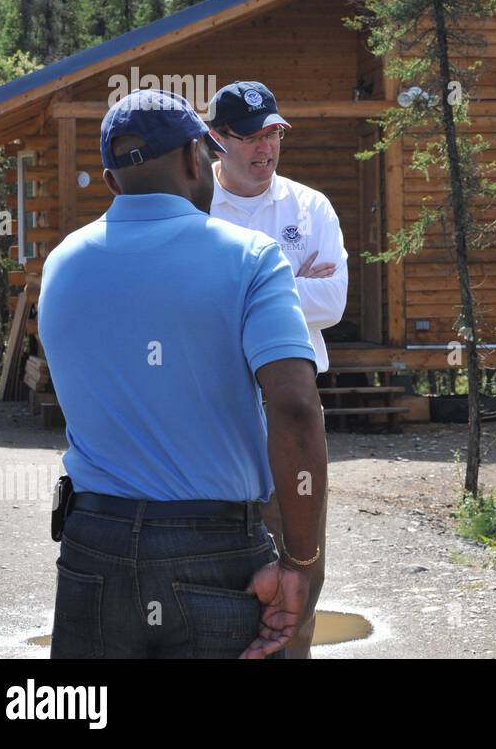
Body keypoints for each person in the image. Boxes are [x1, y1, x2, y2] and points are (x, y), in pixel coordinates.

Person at [38, 89, 327, 659]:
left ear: (111, 180)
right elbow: (294, 408)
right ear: (197, 159)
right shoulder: (252, 257)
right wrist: (301, 561)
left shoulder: (62, 263)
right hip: (215, 552)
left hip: (92, 546)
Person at [205, 80, 347, 658]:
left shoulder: (307, 205)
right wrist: (290, 283)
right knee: (219, 566)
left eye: (274, 135)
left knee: (300, 556)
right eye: (252, 138)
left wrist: (241, 291)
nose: (266, 150)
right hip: (215, 406)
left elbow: (334, 300)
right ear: (217, 140)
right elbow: (193, 307)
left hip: (292, 413)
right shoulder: (195, 205)